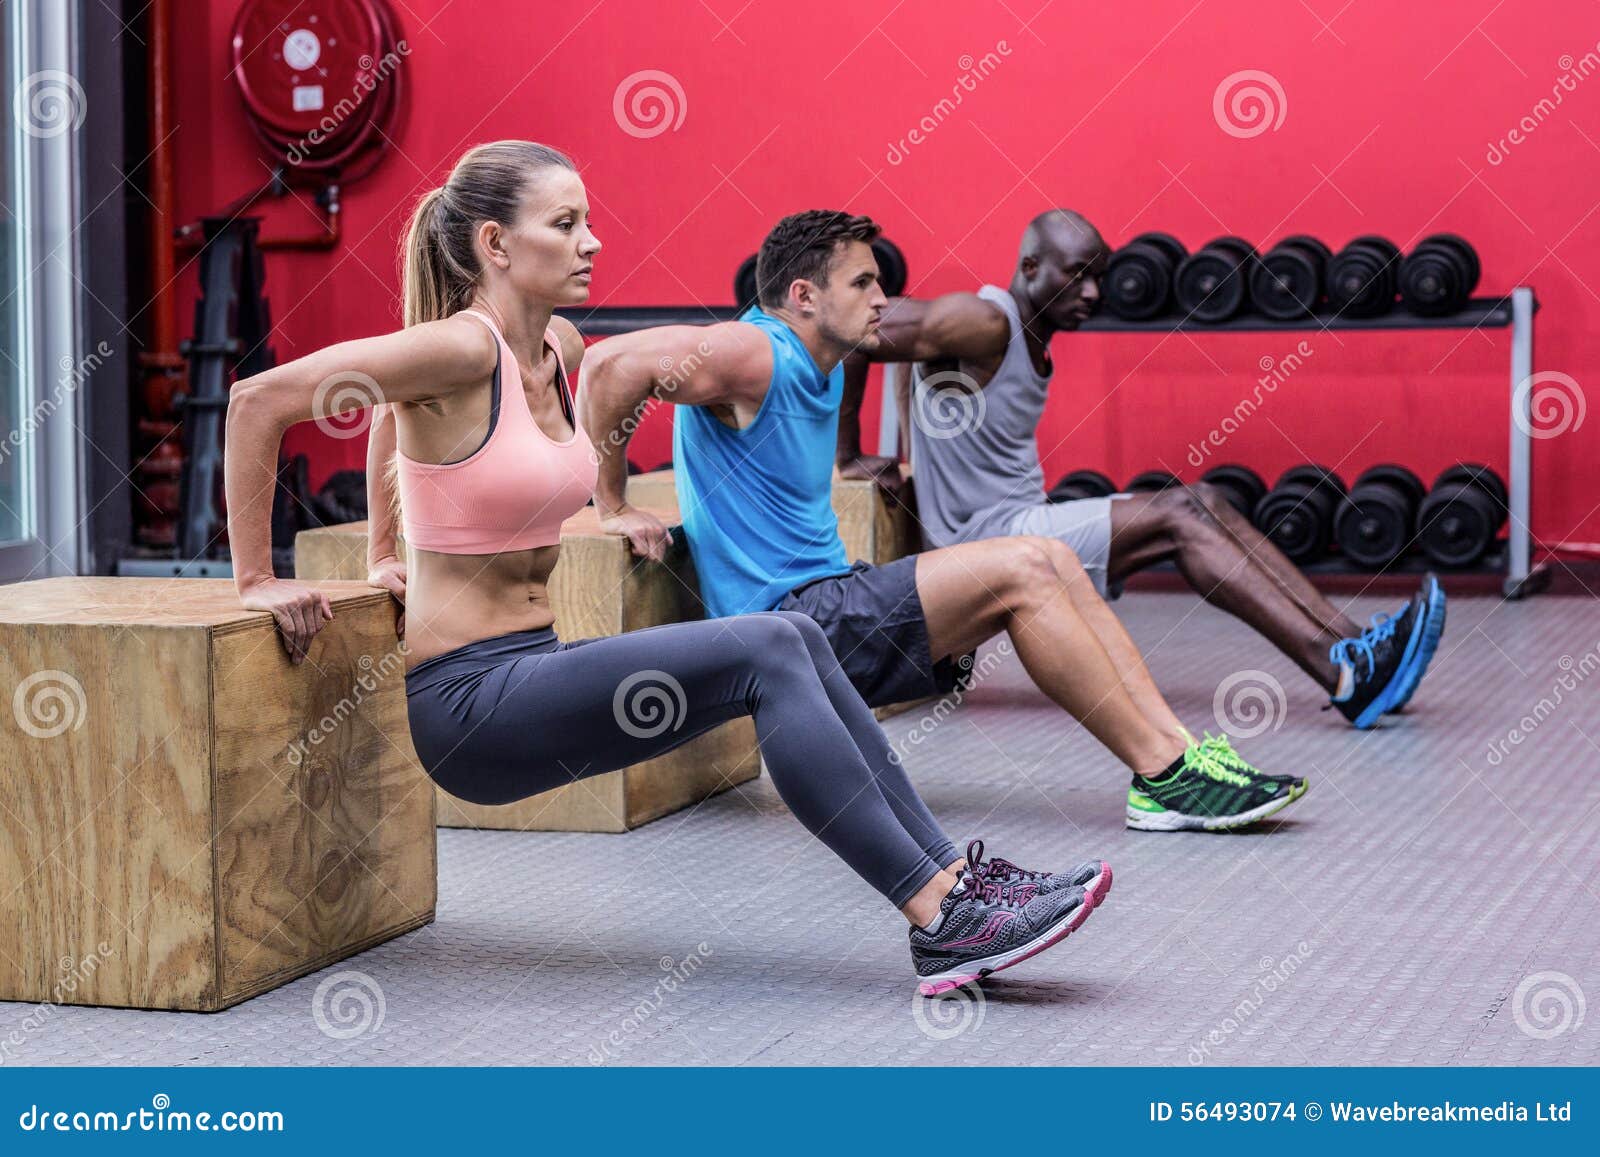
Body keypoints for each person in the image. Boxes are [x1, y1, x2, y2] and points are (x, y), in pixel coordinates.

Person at [221, 141, 1109, 996]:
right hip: (469, 705)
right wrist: (259, 577)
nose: (592, 241)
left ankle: (956, 884)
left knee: (797, 630)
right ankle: (938, 911)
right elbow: (259, 400)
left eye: (588, 221)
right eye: (564, 224)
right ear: (495, 244)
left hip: (537, 662)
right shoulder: (458, 348)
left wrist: (396, 543)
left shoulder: (558, 348)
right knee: (768, 646)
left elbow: (389, 420)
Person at [582, 209, 1307, 833]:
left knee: (1045, 554)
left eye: (879, 281)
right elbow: (612, 364)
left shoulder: (818, 357)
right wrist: (609, 504)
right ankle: (1164, 775)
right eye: (862, 283)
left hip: (833, 603)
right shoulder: (757, 350)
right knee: (1026, 564)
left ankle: (1178, 757)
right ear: (802, 295)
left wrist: (851, 455)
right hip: (789, 626)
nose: (882, 298)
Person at [836, 209, 1447, 731]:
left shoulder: (1026, 335)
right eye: (1076, 275)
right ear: (1029, 270)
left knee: (1203, 499)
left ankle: (1355, 647)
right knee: (1181, 514)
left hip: (1024, 522)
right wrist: (850, 452)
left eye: (1099, 277)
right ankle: (1343, 670)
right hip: (988, 543)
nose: (1094, 294)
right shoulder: (987, 320)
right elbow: (863, 327)